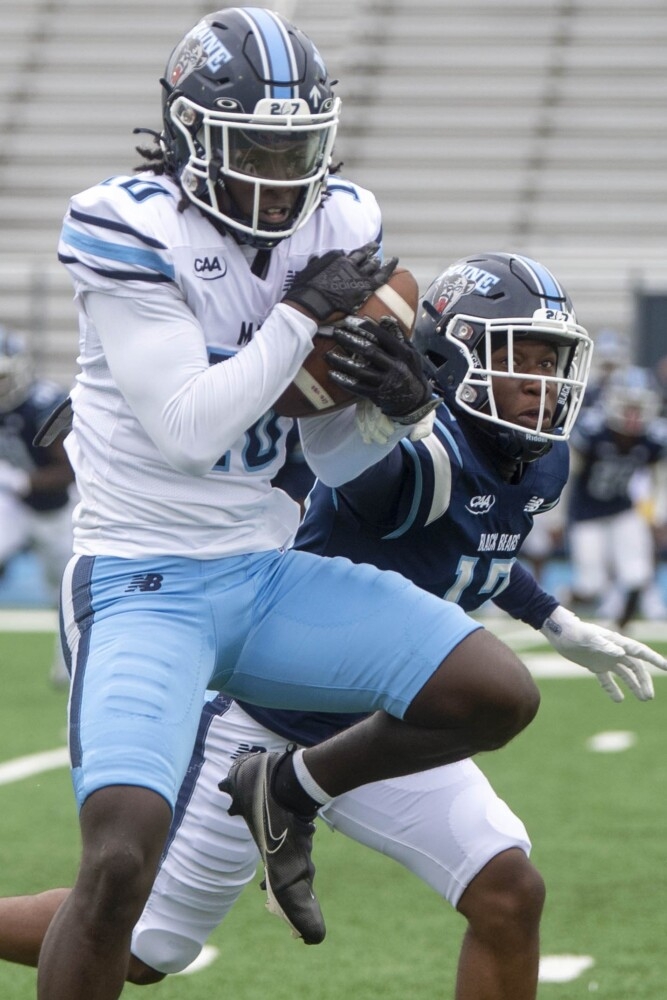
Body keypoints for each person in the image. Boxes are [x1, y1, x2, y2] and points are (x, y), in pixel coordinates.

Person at [42, 9, 561, 998]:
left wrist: (398, 408)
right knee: (118, 870)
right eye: (257, 148)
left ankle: (291, 790)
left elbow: (325, 448)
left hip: (266, 571)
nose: (280, 175)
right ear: (191, 135)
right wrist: (296, 316)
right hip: (142, 577)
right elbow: (191, 429)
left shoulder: (340, 219)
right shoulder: (125, 219)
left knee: (494, 692)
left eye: (297, 148)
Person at [3, 252, 665, 1000]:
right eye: (519, 359)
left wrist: (549, 616)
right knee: (148, 946)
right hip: (262, 714)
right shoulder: (386, 438)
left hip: (379, 727)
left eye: (552, 360)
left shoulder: (534, 461)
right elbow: (387, 493)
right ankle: (283, 785)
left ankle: (291, 790)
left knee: (509, 891)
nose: (540, 384)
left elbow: (468, 543)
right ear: (449, 356)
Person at [565, 364, 667, 628]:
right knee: (590, 586)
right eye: (627, 405)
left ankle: (623, 628)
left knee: (637, 575)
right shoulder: (593, 430)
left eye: (639, 406)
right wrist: (555, 516)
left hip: (623, 508)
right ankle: (561, 602)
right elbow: (566, 473)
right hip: (586, 512)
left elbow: (659, 477)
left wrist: (658, 514)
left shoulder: (651, 437)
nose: (633, 414)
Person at [0, 325, 74, 685]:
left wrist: (24, 480)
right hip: (12, 504)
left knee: (65, 590)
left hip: (58, 508)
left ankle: (69, 659)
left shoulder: (43, 404)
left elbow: (70, 469)